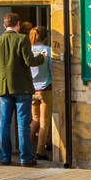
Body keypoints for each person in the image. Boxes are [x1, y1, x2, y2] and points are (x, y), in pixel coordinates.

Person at [0, 12, 37, 166]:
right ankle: (26, 158)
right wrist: (42, 57)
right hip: (22, 88)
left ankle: (4, 157)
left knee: (4, 123)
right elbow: (29, 61)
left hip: (4, 87)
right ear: (18, 24)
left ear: (4, 25)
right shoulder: (22, 39)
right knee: (23, 124)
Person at [28, 26, 52, 161]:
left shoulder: (28, 50)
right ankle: (40, 150)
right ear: (45, 38)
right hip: (45, 89)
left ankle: (26, 147)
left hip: (31, 90)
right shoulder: (47, 50)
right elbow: (52, 71)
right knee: (44, 121)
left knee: (35, 119)